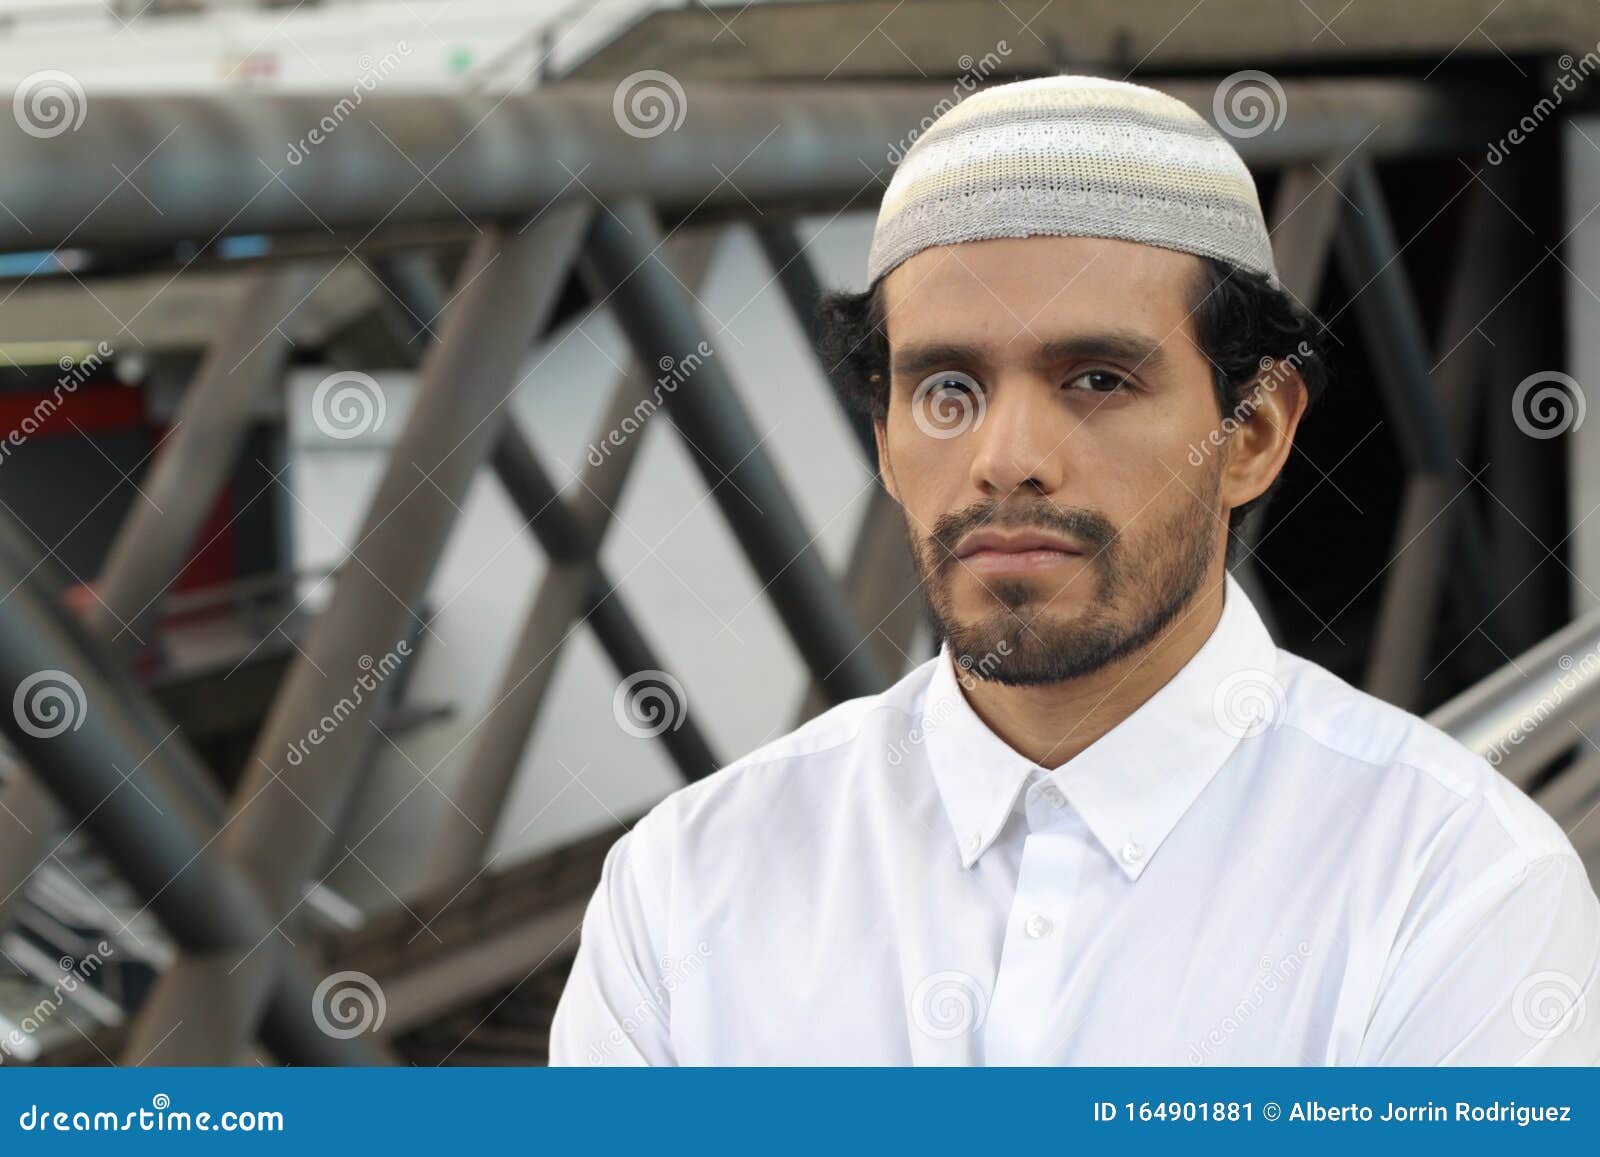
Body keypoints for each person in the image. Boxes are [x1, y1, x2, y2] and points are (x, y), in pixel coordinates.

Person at [549, 73, 1600, 1065]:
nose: (1005, 457)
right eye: (945, 387)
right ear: (882, 436)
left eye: (1096, 377)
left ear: (1253, 431)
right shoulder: (684, 883)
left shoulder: (1457, 883)